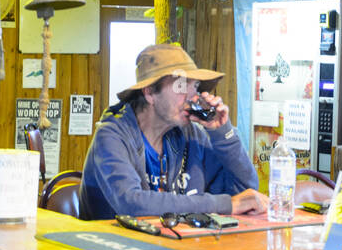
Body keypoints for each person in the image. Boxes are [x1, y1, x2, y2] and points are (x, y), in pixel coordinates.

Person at [78, 44, 268, 220]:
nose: (192, 96)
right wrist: (224, 204)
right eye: (180, 86)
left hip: (176, 248)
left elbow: (245, 191)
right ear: (150, 93)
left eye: (193, 86)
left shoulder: (192, 135)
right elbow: (131, 203)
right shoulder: (112, 135)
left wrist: (223, 133)